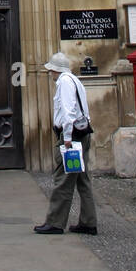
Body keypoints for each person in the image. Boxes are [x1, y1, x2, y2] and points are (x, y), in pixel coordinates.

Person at [33, 51, 98, 235]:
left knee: (63, 180)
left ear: (56, 70)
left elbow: (69, 113)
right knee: (82, 180)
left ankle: (55, 222)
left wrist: (67, 138)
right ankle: (88, 221)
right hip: (83, 133)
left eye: (51, 70)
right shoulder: (75, 80)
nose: (50, 74)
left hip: (72, 138)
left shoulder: (64, 83)